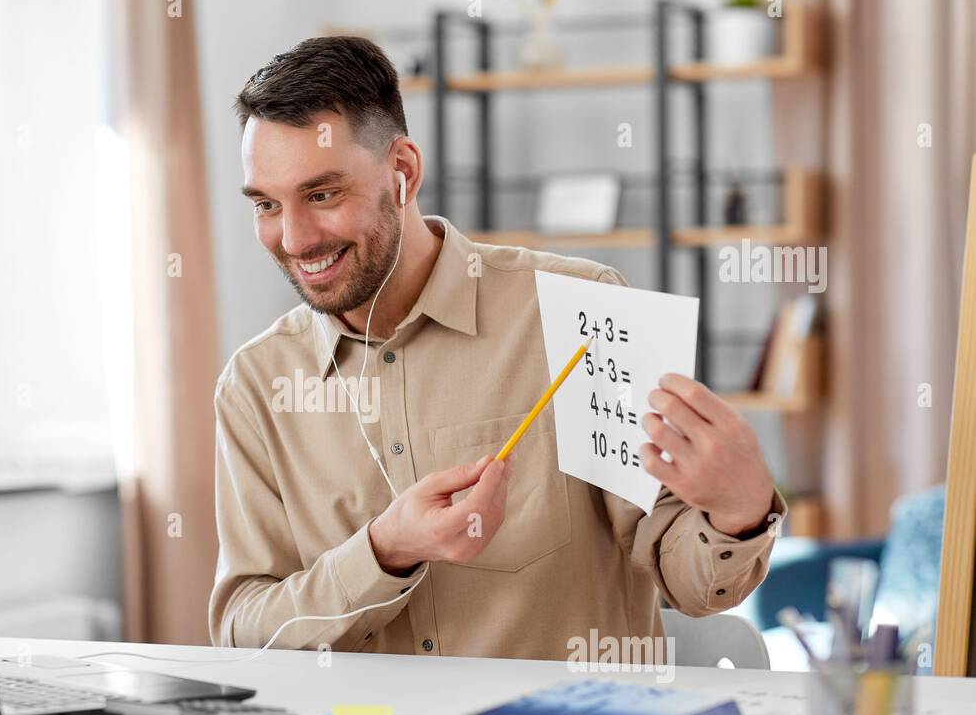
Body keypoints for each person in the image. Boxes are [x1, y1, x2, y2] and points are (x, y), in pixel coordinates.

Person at [209, 36, 784, 660]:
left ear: (402, 173)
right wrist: (383, 552)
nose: (293, 238)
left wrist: (739, 512)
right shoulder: (256, 385)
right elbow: (244, 629)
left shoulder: (588, 309)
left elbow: (690, 583)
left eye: (322, 195)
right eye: (267, 204)